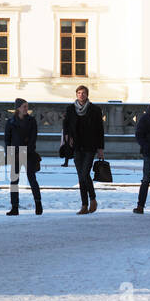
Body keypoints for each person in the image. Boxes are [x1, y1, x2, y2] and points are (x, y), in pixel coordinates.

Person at [62, 85, 105, 214]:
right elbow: (66, 125)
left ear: (87, 95)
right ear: (76, 95)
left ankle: (91, 200)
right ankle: (85, 204)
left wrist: (100, 148)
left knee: (84, 174)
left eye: (84, 93)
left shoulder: (95, 110)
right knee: (81, 176)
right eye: (79, 93)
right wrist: (67, 137)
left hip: (90, 146)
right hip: (76, 146)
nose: (81, 95)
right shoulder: (70, 109)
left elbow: (100, 130)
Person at [3, 98, 42, 215]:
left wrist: (26, 151)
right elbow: (7, 139)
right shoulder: (10, 122)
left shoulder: (31, 121)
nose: (26, 109)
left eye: (27, 106)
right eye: (24, 106)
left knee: (32, 179)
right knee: (14, 181)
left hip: (29, 153)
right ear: (18, 108)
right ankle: (14, 207)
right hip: (15, 153)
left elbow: (33, 138)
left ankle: (38, 204)